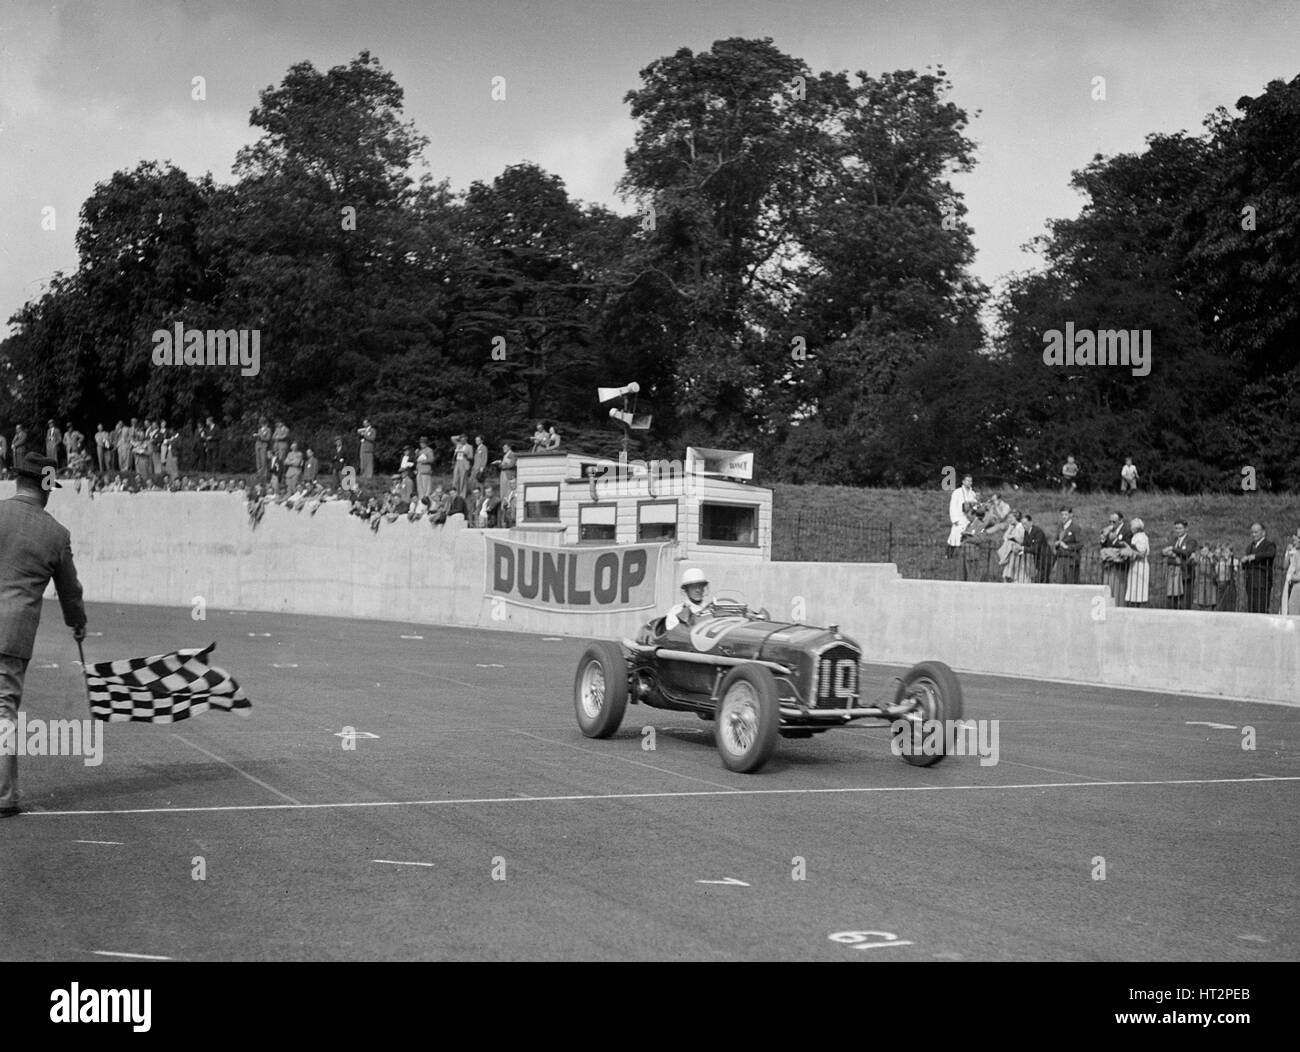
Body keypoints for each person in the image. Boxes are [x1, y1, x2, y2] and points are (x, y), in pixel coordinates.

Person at [0, 452, 88, 817]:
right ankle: (4, 796)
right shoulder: (55, 533)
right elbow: (70, 592)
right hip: (13, 634)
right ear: (47, 485)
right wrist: (77, 622)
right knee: (2, 710)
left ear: (18, 479)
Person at [1241, 522, 1277, 613]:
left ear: (1263, 533)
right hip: (1250, 583)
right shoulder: (1250, 546)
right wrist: (1244, 561)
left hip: (1262, 583)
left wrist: (1255, 556)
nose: (1253, 535)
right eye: (1252, 532)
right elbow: (1246, 566)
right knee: (1251, 610)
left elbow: (1270, 554)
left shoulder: (1269, 544)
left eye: (1256, 532)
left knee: (1261, 610)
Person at [1161, 520, 1196, 610]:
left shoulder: (1191, 540)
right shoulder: (1173, 540)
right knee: (1172, 601)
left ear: (1186, 529)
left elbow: (1187, 552)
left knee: (1184, 602)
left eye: (1180, 528)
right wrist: (1166, 552)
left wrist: (1173, 549)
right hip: (1172, 575)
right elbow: (1164, 551)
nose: (1178, 531)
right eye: (1176, 528)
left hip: (1185, 575)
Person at [1122, 517, 1150, 607]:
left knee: (1138, 588)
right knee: (1134, 589)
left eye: (1131, 527)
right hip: (1135, 565)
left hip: (1140, 565)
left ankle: (1137, 606)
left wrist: (1130, 551)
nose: (1130, 529)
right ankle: (1134, 604)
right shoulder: (1136, 536)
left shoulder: (1141, 537)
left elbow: (1142, 554)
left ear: (1135, 528)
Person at [947, 474, 978, 555]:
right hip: (959, 517)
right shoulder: (957, 492)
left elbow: (975, 507)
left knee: (966, 537)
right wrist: (954, 519)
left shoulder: (973, 493)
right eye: (967, 480)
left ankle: (963, 555)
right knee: (954, 536)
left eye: (970, 481)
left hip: (968, 519)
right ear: (963, 481)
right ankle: (948, 555)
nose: (969, 482)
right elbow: (952, 506)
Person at [1053, 507, 1081, 583]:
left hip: (1071, 559)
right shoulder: (1060, 527)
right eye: (1062, 514)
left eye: (1065, 514)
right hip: (1060, 558)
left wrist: (1067, 546)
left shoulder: (1075, 527)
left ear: (1071, 515)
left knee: (1070, 583)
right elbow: (1056, 539)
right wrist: (1056, 543)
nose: (1063, 517)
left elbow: (1080, 544)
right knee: (1059, 582)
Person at [1023, 513, 1049, 583]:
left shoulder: (1038, 532)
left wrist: (1022, 549)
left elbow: (1035, 548)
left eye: (1025, 523)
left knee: (1040, 579)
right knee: (1042, 580)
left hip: (1045, 558)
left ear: (1031, 523)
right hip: (1037, 560)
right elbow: (1025, 544)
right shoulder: (1026, 532)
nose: (1024, 526)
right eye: (1022, 524)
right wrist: (1020, 548)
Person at [1281, 529, 1300, 615]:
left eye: (1298, 537)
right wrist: (1287, 553)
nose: (1295, 539)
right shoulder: (1293, 550)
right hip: (1290, 582)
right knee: (1288, 606)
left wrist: (1291, 577)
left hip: (1296, 582)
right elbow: (1285, 566)